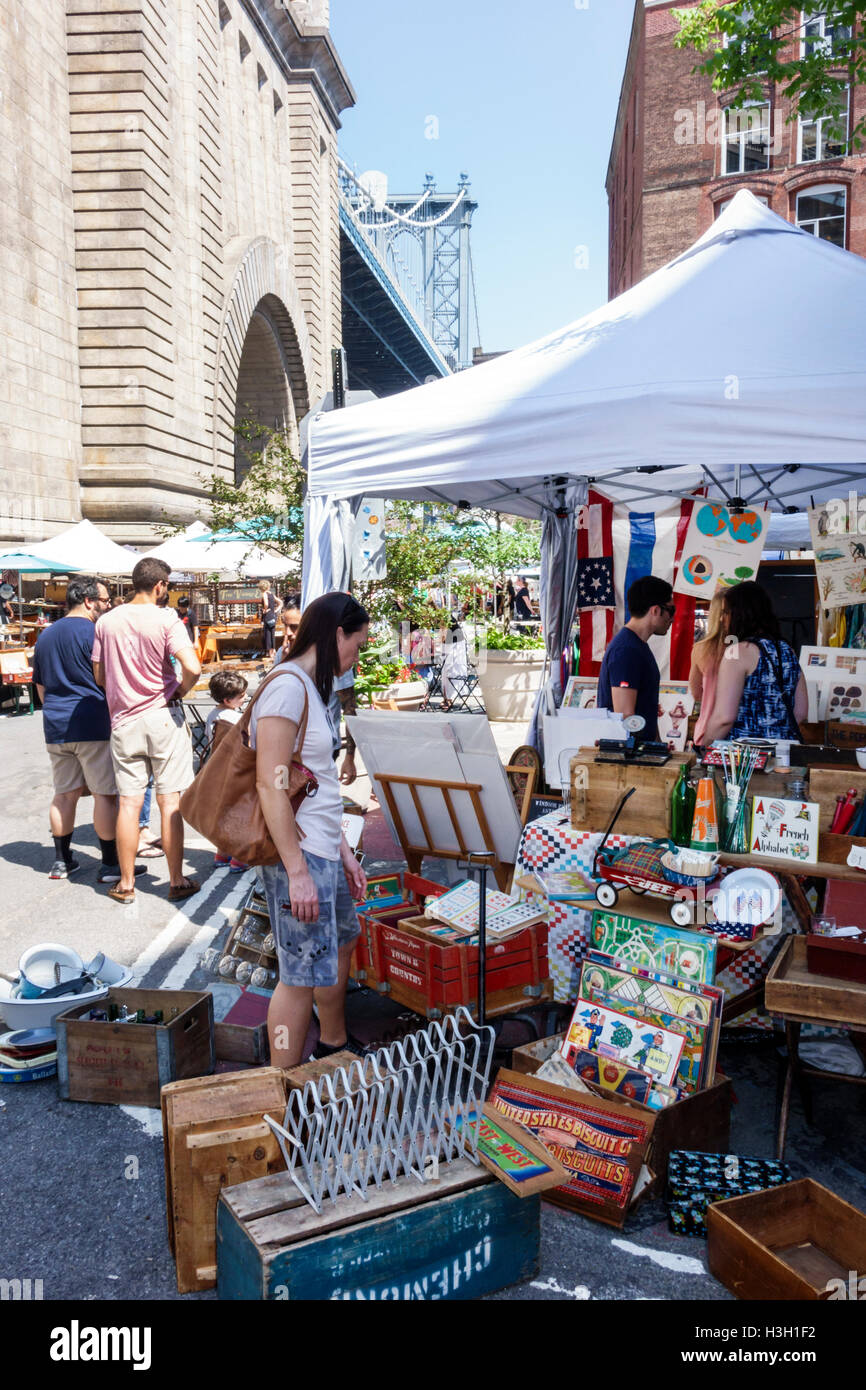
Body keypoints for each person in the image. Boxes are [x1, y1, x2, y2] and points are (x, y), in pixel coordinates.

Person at [251, 591, 370, 1067]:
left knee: (338, 946)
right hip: (297, 855)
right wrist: (297, 870)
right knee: (298, 975)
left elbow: (313, 784)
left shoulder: (310, 687)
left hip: (320, 848)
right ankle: (281, 1083)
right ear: (336, 633)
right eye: (356, 645)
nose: (355, 658)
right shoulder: (287, 686)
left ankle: (332, 1045)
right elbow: (270, 782)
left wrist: (341, 851)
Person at [92, 556, 202, 904]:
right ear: (159, 586)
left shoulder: (106, 622)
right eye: (166, 586)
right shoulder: (167, 618)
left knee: (129, 803)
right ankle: (176, 880)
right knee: (169, 801)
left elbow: (99, 675)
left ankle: (126, 884)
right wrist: (180, 689)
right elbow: (193, 667)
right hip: (162, 716)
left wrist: (120, 692)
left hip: (124, 721)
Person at [31, 576, 143, 884]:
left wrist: (56, 709)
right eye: (105, 601)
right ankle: (109, 864)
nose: (107, 606)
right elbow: (109, 679)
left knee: (64, 795)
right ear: (89, 601)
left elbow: (40, 686)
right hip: (93, 721)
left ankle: (61, 860)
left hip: (56, 723)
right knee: (104, 795)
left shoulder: (45, 636)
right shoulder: (96, 632)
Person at [699, 581, 806, 744]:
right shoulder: (787, 650)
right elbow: (800, 712)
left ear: (740, 614)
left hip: (744, 758)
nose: (722, 619)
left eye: (726, 612)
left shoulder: (738, 652)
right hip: (785, 754)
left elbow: (724, 718)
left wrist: (704, 746)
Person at [596, 576, 676, 741]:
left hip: (637, 753)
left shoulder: (635, 645)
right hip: (629, 757)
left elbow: (645, 711)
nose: (672, 619)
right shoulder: (627, 650)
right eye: (671, 611)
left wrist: (658, 748)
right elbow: (625, 716)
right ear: (655, 610)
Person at [689, 595, 726, 747]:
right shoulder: (745, 648)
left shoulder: (700, 648)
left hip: (707, 730)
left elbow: (696, 693)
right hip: (739, 732)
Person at [258, 580, 281, 660]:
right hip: (273, 616)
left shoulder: (264, 594)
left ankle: (270, 653)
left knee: (267, 634)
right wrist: (275, 610)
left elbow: (266, 604)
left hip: (267, 616)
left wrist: (265, 609)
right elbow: (280, 602)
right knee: (272, 633)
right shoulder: (272, 595)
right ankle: (273, 652)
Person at [279, 592, 302, 657]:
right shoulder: (282, 652)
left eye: (294, 627)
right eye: (285, 625)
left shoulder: (322, 655)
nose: (287, 633)